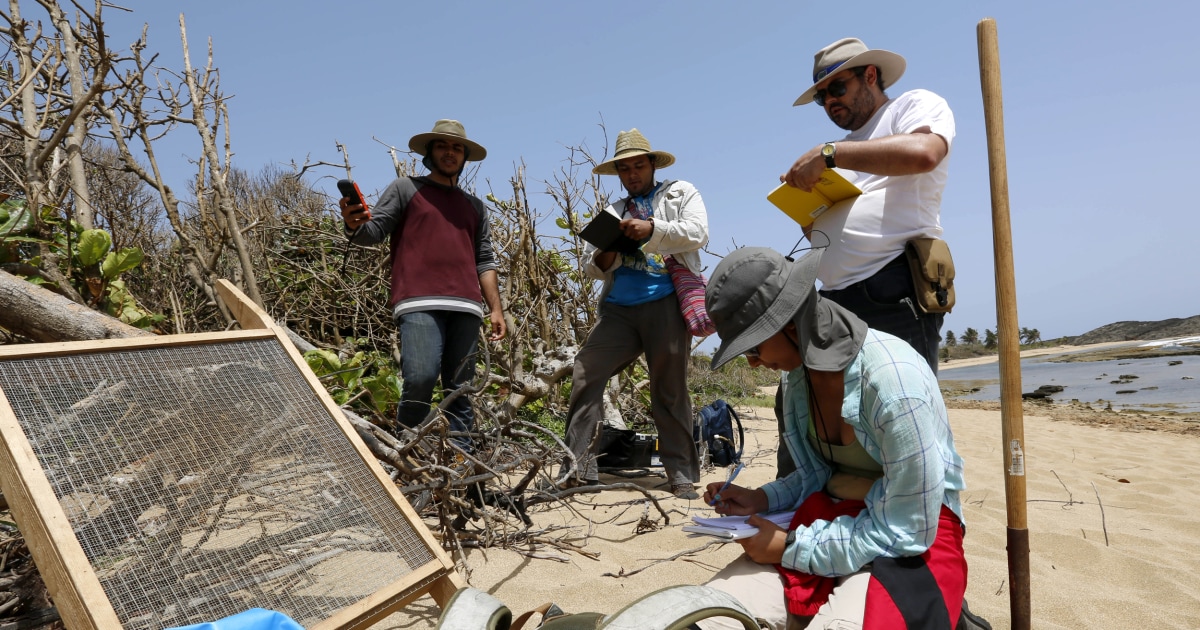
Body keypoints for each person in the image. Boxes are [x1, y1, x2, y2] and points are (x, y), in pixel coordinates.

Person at [695, 247, 969, 630]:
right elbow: (817, 474)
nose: (753, 362)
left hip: (908, 539)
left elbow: (909, 530)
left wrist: (791, 548)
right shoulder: (796, 378)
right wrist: (762, 498)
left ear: (791, 321)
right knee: (710, 615)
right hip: (827, 522)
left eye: (753, 347)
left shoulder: (893, 382)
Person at [781, 37, 955, 373]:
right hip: (834, 301)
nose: (830, 100)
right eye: (822, 96)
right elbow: (822, 233)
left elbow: (925, 153)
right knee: (844, 420)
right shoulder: (842, 150)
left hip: (892, 290)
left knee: (903, 414)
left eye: (838, 88)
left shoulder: (912, 105)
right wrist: (806, 210)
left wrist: (827, 155)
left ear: (870, 76)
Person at [339, 119, 506, 447]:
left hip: (467, 306)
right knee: (420, 377)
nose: (450, 152)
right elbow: (373, 232)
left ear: (464, 157)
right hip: (418, 300)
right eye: (442, 145)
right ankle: (408, 451)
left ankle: (461, 468)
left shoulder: (475, 206)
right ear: (429, 153)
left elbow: (484, 260)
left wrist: (496, 308)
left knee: (460, 391)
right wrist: (352, 222)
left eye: (457, 147)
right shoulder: (406, 189)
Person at [560, 128, 707, 499]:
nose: (632, 174)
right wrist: (607, 252)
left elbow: (698, 233)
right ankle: (579, 468)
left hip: (666, 303)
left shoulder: (681, 192)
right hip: (619, 311)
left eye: (638, 165)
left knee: (669, 388)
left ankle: (681, 473)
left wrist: (651, 228)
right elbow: (596, 267)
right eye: (624, 169)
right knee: (586, 371)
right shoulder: (614, 211)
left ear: (652, 165)